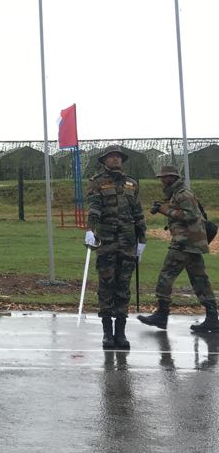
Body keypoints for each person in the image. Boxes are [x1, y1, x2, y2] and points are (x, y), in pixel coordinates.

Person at [138, 163, 219, 333]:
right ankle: (212, 317)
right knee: (200, 281)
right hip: (192, 244)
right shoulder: (178, 193)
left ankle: (162, 314)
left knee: (165, 278)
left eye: (164, 177)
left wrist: (165, 210)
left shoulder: (183, 194)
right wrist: (165, 207)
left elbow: (191, 215)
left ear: (172, 178)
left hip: (184, 243)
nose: (162, 181)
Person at [85, 145, 146, 350]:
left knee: (123, 287)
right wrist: (90, 230)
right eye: (111, 157)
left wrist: (142, 239)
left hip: (128, 243)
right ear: (104, 161)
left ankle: (121, 332)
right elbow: (94, 208)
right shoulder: (97, 183)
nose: (115, 160)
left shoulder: (132, 183)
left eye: (118, 157)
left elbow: (138, 212)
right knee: (106, 286)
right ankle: (107, 333)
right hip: (107, 242)